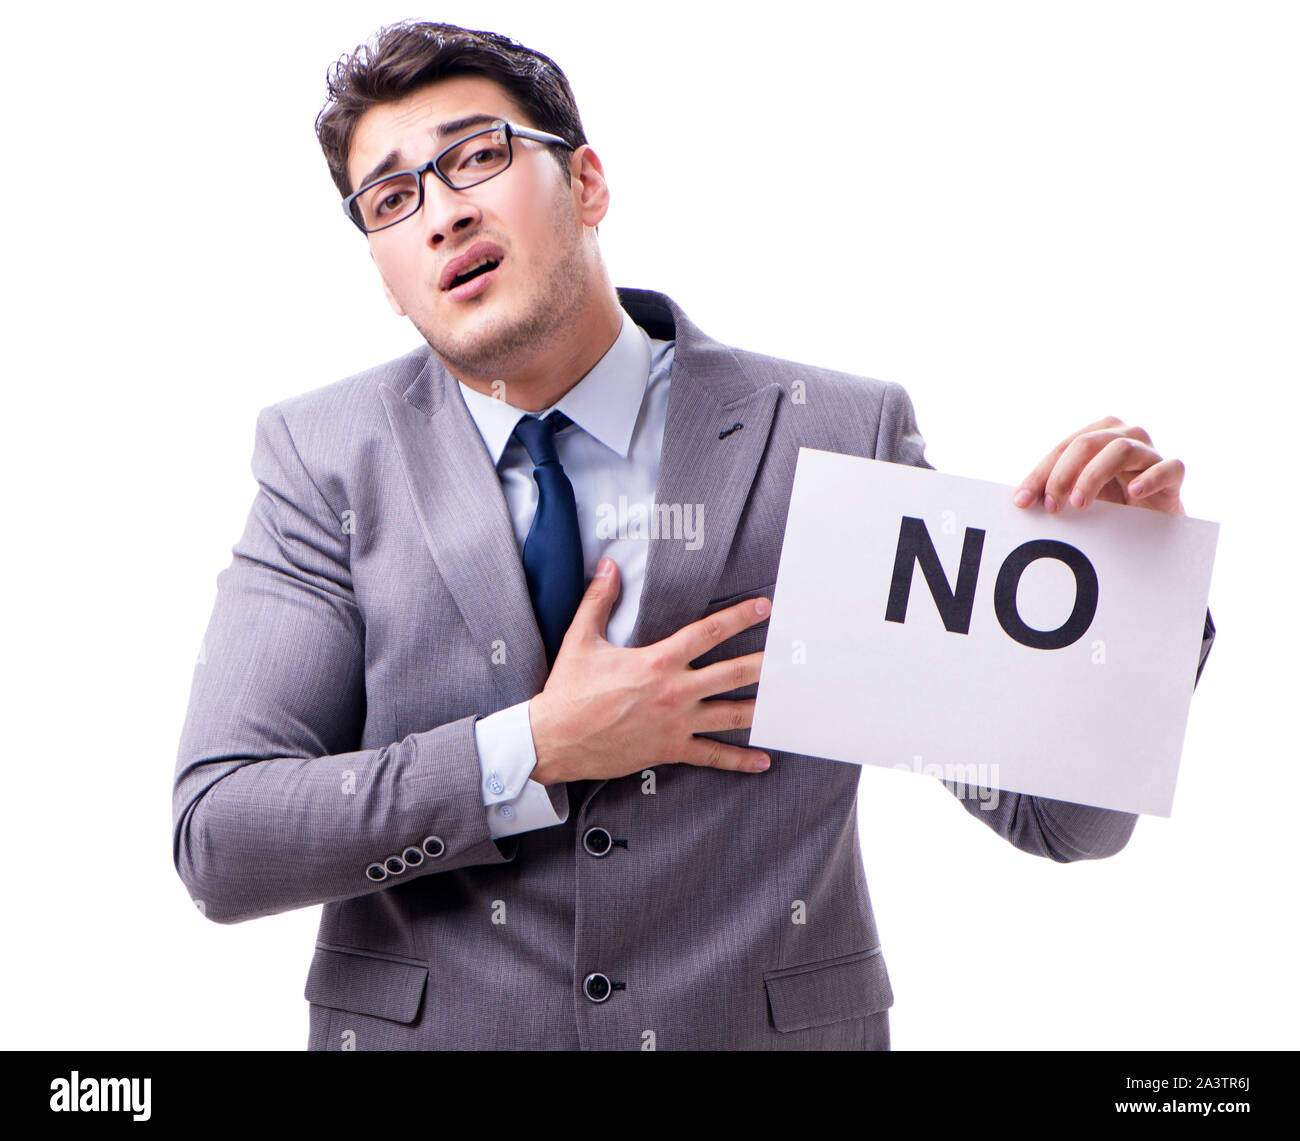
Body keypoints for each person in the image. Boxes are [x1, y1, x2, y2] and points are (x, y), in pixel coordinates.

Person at [172, 20, 1214, 1050]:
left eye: (477, 156)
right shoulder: (323, 459)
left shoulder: (830, 435)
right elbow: (223, 836)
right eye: (393, 198)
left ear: (587, 184)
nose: (442, 213)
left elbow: (1059, 821)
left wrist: (1131, 598)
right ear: (385, 271)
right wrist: (534, 749)